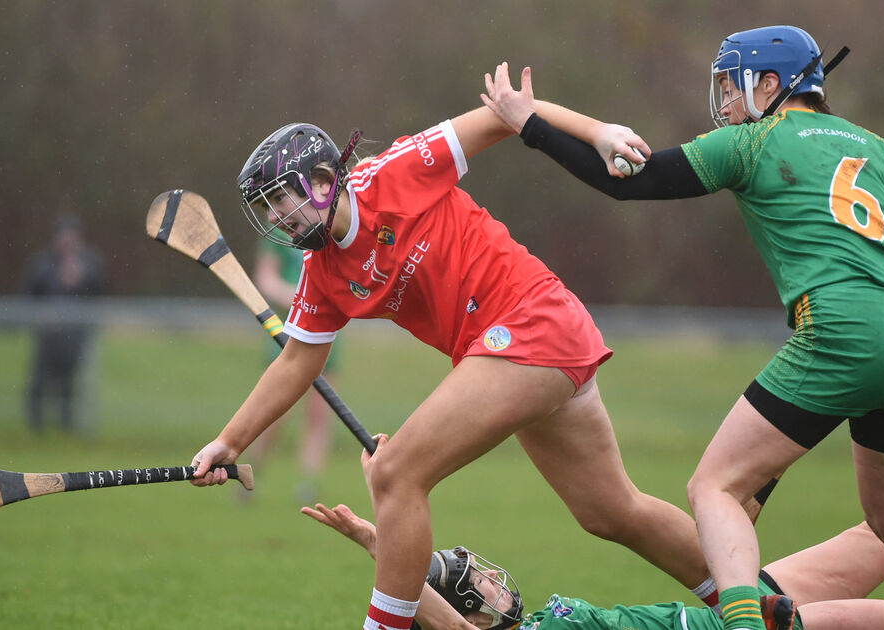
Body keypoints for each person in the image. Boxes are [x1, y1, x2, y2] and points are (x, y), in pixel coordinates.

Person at [477, 26, 884, 630]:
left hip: (839, 329)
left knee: (713, 488)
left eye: (732, 85)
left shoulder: (751, 143)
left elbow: (631, 183)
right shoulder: (877, 146)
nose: (726, 102)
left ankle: (744, 626)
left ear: (771, 83)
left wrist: (531, 127)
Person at [187, 114, 726, 630]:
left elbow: (503, 117)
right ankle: (751, 602)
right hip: (520, 350)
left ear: (325, 182)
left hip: (531, 319)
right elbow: (297, 361)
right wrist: (230, 442)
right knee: (609, 511)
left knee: (395, 473)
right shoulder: (322, 271)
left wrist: (599, 133)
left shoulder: (394, 173)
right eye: (267, 208)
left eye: (280, 199)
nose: (276, 218)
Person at [304, 350, 884, 630]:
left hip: (727, 606)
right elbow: (436, 622)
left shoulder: (537, 621)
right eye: (474, 581)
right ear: (470, 614)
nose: (492, 577)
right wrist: (381, 536)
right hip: (747, 626)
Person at [244, 229, 341, 502]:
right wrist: (301, 297)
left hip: (326, 330)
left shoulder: (328, 224)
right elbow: (266, 278)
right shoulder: (276, 228)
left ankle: (309, 482)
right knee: (273, 411)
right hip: (288, 332)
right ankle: (251, 474)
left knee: (319, 413)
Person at [20, 213, 106, 433]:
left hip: (74, 337)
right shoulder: (43, 263)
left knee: (69, 384)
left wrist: (81, 276)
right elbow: (30, 294)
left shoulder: (88, 263)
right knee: (39, 381)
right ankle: (35, 427)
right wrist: (40, 315)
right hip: (48, 336)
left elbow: (99, 291)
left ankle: (66, 426)